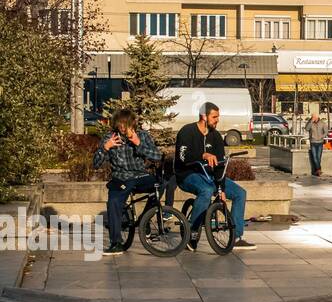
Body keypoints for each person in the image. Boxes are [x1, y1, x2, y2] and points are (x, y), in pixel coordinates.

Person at [175, 102, 255, 251]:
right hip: (188, 174)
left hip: (210, 176)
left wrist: (221, 188)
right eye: (214, 117)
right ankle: (192, 232)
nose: (217, 120)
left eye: (218, 116)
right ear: (204, 116)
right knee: (205, 190)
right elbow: (182, 157)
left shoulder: (216, 136)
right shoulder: (187, 131)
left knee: (239, 193)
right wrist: (202, 155)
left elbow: (220, 165)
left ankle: (236, 237)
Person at [94, 109, 162, 256]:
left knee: (159, 185)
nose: (123, 129)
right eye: (120, 126)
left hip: (140, 175)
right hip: (121, 177)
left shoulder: (142, 136)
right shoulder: (109, 137)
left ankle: (145, 219)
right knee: (114, 202)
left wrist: (138, 144)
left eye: (126, 125)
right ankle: (116, 243)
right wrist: (106, 148)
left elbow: (157, 156)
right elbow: (96, 164)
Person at [307, 111, 328, 178]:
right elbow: (307, 128)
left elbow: (326, 131)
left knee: (318, 157)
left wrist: (322, 136)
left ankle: (317, 171)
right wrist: (311, 122)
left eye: (314, 116)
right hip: (313, 142)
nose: (313, 118)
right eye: (312, 116)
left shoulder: (322, 123)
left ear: (317, 117)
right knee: (315, 157)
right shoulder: (310, 122)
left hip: (320, 142)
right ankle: (319, 170)